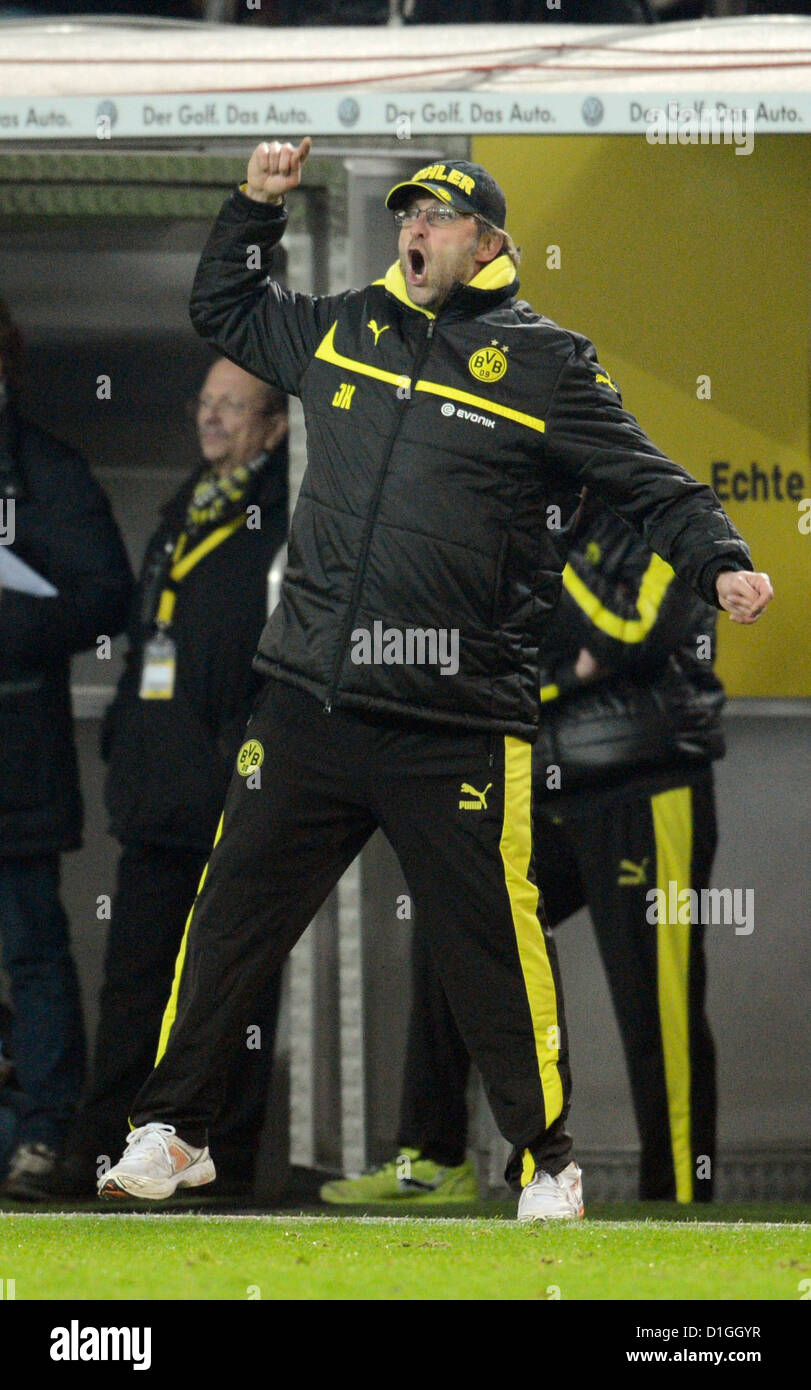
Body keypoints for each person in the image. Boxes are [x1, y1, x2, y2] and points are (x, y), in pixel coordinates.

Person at [99, 140, 772, 1221]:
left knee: (488, 948)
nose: (414, 231)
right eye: (407, 215)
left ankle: (546, 1162)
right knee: (228, 917)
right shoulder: (347, 328)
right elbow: (225, 310)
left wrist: (723, 561)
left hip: (455, 721)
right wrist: (254, 207)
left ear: (490, 244)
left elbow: (653, 486)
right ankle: (174, 1131)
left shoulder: (548, 362)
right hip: (310, 701)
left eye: (439, 219)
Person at [321, 493, 726, 1207]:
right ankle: (435, 1158)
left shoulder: (661, 513)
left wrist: (555, 559)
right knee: (457, 926)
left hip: (643, 779)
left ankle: (679, 1202)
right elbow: (495, 656)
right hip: (539, 780)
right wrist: (567, 665)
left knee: (656, 1005)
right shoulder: (508, 520)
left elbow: (630, 631)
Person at [18, 357, 290, 1201]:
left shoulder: (286, 515)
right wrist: (130, 744)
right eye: (204, 403)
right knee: (133, 983)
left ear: (275, 426)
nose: (210, 419)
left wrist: (236, 759)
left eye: (232, 407)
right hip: (156, 792)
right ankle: (100, 1155)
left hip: (230, 796)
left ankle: (222, 1164)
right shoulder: (184, 507)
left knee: (229, 984)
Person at [0, 296, 133, 1198]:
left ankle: (46, 1137)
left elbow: (104, 597)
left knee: (33, 945)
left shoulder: (43, 468)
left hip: (16, 758)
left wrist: (7, 624)